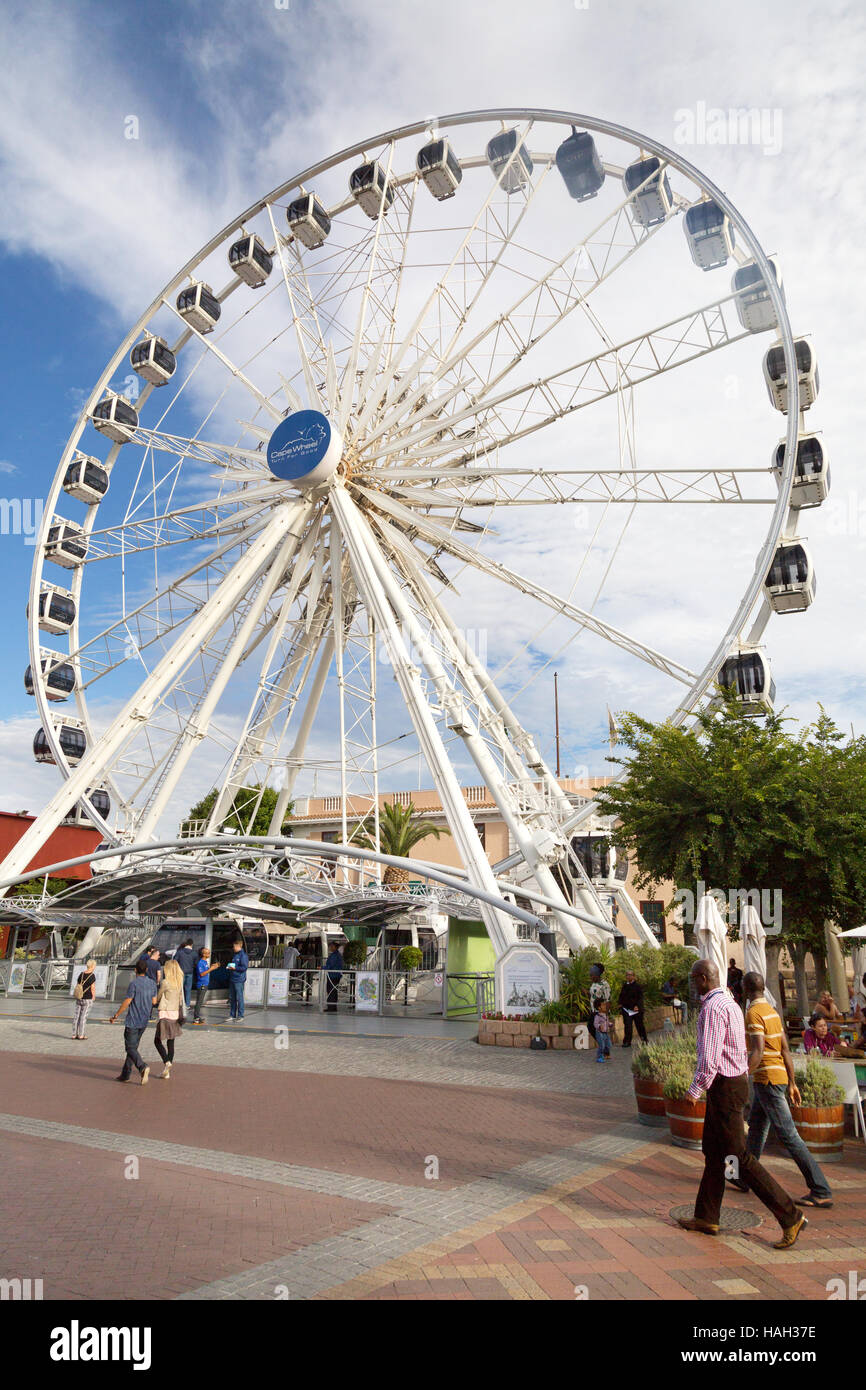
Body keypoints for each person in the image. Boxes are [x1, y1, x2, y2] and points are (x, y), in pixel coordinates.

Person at [676, 958, 805, 1249]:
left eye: (694, 980)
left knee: (739, 1158)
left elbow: (708, 1058)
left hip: (724, 1088)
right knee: (713, 1151)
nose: (693, 986)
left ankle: (790, 1215)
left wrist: (694, 1090)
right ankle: (706, 1217)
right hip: (734, 1084)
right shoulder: (732, 1003)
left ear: (702, 979)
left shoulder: (712, 1007)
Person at [737, 971, 833, 1209]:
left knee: (789, 1135)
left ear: (746, 989)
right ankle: (744, 1176)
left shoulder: (753, 1012)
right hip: (776, 1077)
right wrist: (792, 1082)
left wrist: (740, 1076)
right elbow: (786, 1051)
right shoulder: (772, 1012)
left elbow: (758, 1050)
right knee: (757, 1127)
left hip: (767, 1079)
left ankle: (820, 1189)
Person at [110, 960, 156, 1085]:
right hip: (144, 1019)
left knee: (130, 1047)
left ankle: (142, 1066)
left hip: (133, 1019)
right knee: (133, 1047)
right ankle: (125, 1074)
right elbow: (154, 1001)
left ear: (135, 970)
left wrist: (116, 1015)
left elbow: (128, 1001)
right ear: (146, 970)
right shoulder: (152, 983)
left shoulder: (134, 984)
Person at [154, 957, 185, 1079]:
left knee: (157, 1040)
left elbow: (159, 995)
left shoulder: (166, 982)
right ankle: (167, 1070)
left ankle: (167, 1062)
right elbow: (181, 999)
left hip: (165, 1013)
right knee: (170, 1042)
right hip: (175, 1013)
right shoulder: (179, 981)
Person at [618, 969, 648, 1046]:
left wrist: (637, 1006)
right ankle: (627, 1042)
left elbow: (640, 997)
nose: (628, 976)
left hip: (636, 1010)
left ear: (634, 976)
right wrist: (620, 1004)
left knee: (640, 1025)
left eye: (630, 975)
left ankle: (644, 1040)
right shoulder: (624, 986)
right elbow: (621, 996)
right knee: (628, 1026)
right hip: (626, 1009)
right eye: (627, 975)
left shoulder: (638, 986)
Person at [72, 959, 97, 1040]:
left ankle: (74, 1034)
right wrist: (93, 996)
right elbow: (92, 988)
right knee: (83, 1017)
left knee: (76, 1016)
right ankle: (81, 1035)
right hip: (87, 998)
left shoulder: (81, 974)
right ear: (92, 966)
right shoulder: (92, 975)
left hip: (79, 997)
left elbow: (78, 985)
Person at [226, 937, 249, 1021]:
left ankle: (240, 1015)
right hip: (232, 978)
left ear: (239, 946)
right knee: (232, 998)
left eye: (234, 946)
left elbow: (244, 967)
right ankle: (232, 1015)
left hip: (239, 979)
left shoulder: (243, 955)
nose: (233, 948)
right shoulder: (235, 955)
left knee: (239, 998)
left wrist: (234, 968)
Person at [587, 962, 610, 1042]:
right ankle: (602, 1043)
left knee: (599, 1029)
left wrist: (605, 1014)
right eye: (591, 975)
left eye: (593, 976)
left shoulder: (604, 984)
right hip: (593, 1010)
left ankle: (604, 1046)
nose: (591, 977)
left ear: (598, 975)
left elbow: (607, 999)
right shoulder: (594, 984)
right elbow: (593, 995)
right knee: (590, 1027)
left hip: (600, 1011)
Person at [193, 946, 215, 1025]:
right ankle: (196, 1017)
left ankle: (197, 1016)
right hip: (201, 984)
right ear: (203, 954)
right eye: (208, 953)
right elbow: (202, 974)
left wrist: (213, 967)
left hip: (205, 983)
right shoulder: (200, 963)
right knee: (199, 1001)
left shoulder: (205, 962)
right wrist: (211, 969)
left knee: (200, 1001)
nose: (209, 954)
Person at [174, 938, 196, 1011]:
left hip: (181, 973)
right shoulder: (194, 953)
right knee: (188, 989)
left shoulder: (180, 952)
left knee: (179, 989)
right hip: (190, 973)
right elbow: (196, 963)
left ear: (185, 944)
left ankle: (177, 1003)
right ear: (192, 944)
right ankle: (187, 1005)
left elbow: (174, 961)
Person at [324, 940, 344, 1012]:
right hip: (336, 975)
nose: (330, 947)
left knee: (331, 991)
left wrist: (322, 967)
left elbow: (330, 965)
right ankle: (333, 1007)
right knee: (333, 991)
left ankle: (331, 1007)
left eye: (332, 946)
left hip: (333, 975)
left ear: (335, 947)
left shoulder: (334, 955)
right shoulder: (337, 954)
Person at [593, 996, 611, 1063]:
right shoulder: (597, 1016)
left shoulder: (605, 1015)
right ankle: (599, 1057)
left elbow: (606, 1022)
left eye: (605, 1005)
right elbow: (595, 1024)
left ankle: (606, 1054)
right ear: (599, 1008)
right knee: (602, 1045)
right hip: (599, 1033)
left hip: (605, 1032)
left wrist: (609, 1024)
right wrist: (599, 1026)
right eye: (603, 1005)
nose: (605, 1006)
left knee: (608, 1044)